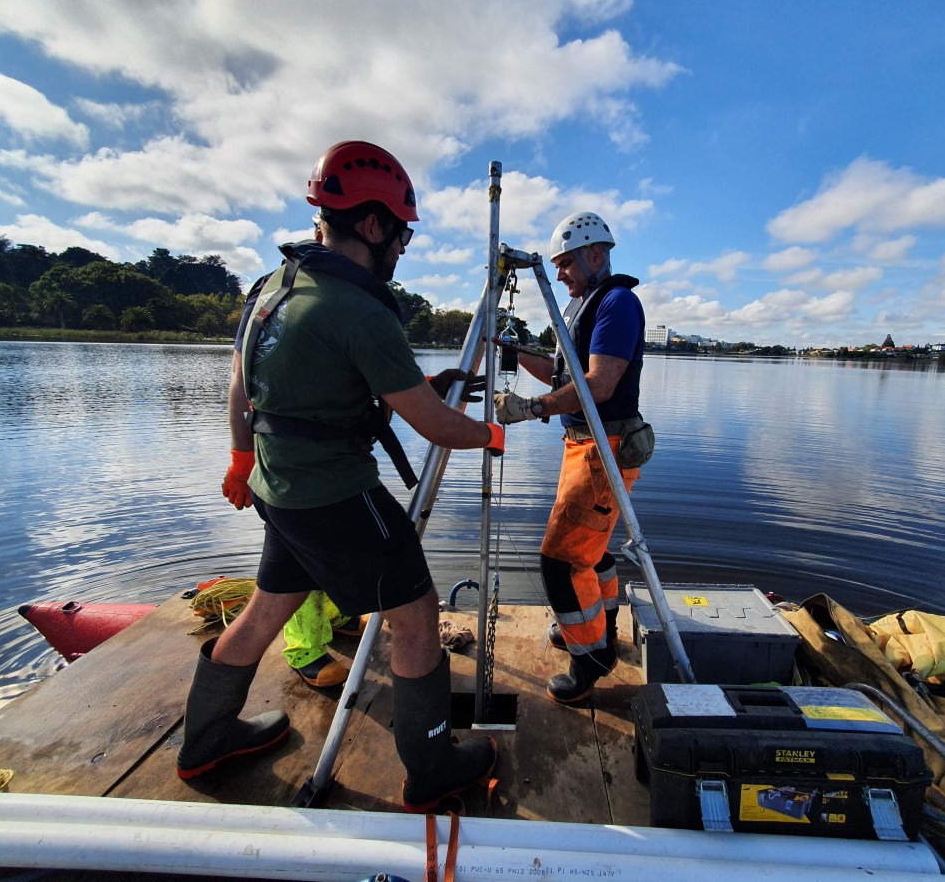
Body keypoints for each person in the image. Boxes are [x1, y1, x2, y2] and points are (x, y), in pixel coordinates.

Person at [178, 140, 503, 815]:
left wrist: (241, 458)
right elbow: (435, 426)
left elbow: (242, 383)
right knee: (416, 616)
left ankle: (205, 740)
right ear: (374, 225)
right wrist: (491, 433)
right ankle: (433, 769)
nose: (404, 248)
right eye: (403, 234)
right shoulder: (360, 309)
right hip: (333, 494)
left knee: (267, 608)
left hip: (278, 488)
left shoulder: (273, 289)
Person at [493, 211, 649, 704]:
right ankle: (601, 631)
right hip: (584, 446)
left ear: (595, 254)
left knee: (561, 561)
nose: (560, 274)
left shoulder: (617, 304)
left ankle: (591, 659)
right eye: (557, 265)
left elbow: (598, 386)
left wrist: (531, 409)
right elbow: (565, 376)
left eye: (565, 264)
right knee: (592, 551)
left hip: (605, 449)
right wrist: (513, 352)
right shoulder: (583, 305)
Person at [221, 214, 366, 691]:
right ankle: (305, 647)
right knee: (299, 554)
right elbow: (240, 381)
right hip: (286, 460)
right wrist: (241, 458)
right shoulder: (275, 293)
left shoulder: (349, 292)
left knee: (338, 542)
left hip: (336, 457)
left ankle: (336, 613)